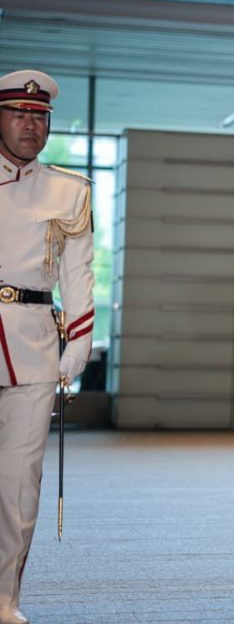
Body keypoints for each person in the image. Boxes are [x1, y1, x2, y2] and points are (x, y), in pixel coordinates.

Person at [0, 70, 94, 624]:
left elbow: (79, 274)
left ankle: (5, 597)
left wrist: (77, 346)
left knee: (19, 481)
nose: (30, 125)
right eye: (18, 114)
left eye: (39, 116)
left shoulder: (69, 190)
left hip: (33, 344)